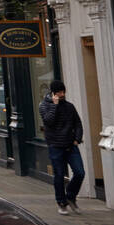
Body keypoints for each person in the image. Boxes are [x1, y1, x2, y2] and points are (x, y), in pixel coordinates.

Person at [40, 81, 85, 215]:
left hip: (71, 145)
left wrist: (77, 139)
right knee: (59, 175)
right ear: (53, 93)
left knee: (80, 172)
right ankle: (61, 203)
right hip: (55, 146)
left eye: (63, 92)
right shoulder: (44, 106)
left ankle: (70, 196)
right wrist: (55, 105)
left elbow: (78, 123)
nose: (62, 94)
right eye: (59, 92)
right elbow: (48, 121)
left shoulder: (69, 107)